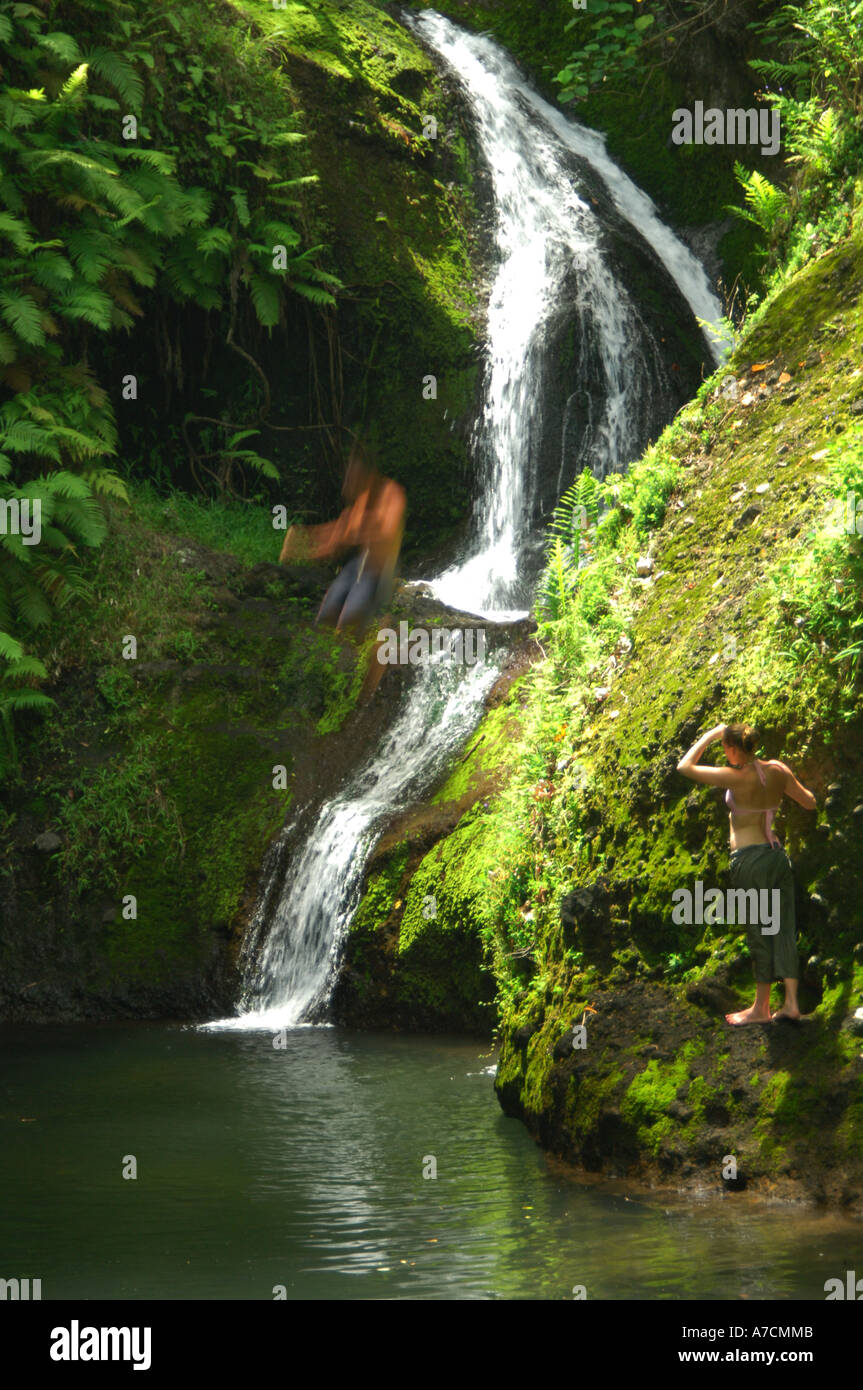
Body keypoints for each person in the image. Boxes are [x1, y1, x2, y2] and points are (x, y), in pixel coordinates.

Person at [676, 721, 816, 1026]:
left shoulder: (735, 777)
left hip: (749, 861)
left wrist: (710, 734)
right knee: (783, 927)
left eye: (724, 746)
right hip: (777, 857)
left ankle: (761, 1007)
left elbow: (684, 767)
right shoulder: (777, 769)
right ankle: (791, 1003)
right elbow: (809, 802)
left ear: (732, 748)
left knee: (759, 930)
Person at [278, 442, 406, 694]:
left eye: (353, 476)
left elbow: (385, 530)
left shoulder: (391, 493)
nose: (347, 483)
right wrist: (298, 549)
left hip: (381, 569)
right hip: (359, 565)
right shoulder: (359, 504)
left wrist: (354, 529)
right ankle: (328, 674)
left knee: (350, 617)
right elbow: (333, 542)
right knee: (326, 613)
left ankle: (376, 650)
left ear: (366, 475)